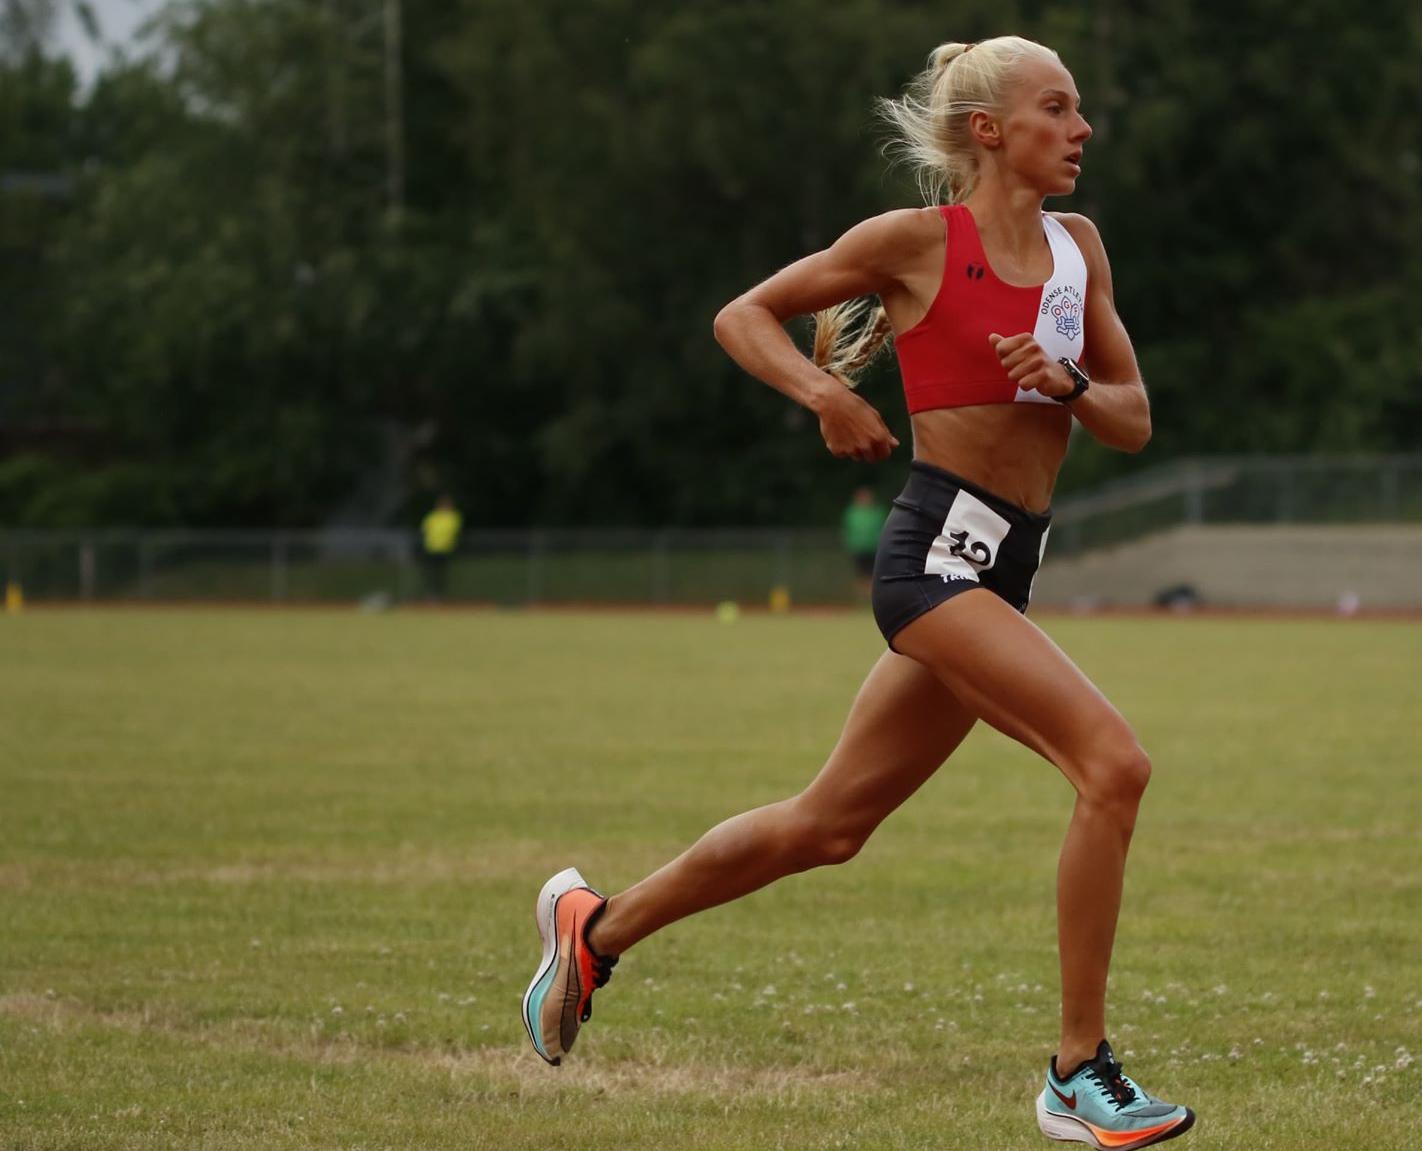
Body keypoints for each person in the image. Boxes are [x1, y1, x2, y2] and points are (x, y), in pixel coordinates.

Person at [519, 37, 1193, 1150]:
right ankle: (1077, 1072)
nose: (1080, 129)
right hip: (931, 563)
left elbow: (1132, 417)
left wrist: (1067, 383)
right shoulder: (915, 244)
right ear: (989, 130)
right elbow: (743, 315)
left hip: (1001, 574)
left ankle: (597, 928)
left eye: (1077, 111)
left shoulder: (1079, 251)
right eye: (1056, 108)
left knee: (828, 825)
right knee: (1112, 764)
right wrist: (823, 392)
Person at [840, 485, 887, 596]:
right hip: (858, 548)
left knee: (873, 574)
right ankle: (862, 597)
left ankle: (872, 596)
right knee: (860, 575)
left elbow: (884, 528)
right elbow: (847, 529)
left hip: (874, 548)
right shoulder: (852, 512)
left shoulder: (877, 512)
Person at [419, 494, 461, 602]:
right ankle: (431, 595)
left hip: (446, 550)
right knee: (430, 574)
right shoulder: (432, 516)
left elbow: (453, 530)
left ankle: (441, 596)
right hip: (431, 549)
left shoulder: (453, 517)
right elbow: (425, 529)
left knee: (442, 575)